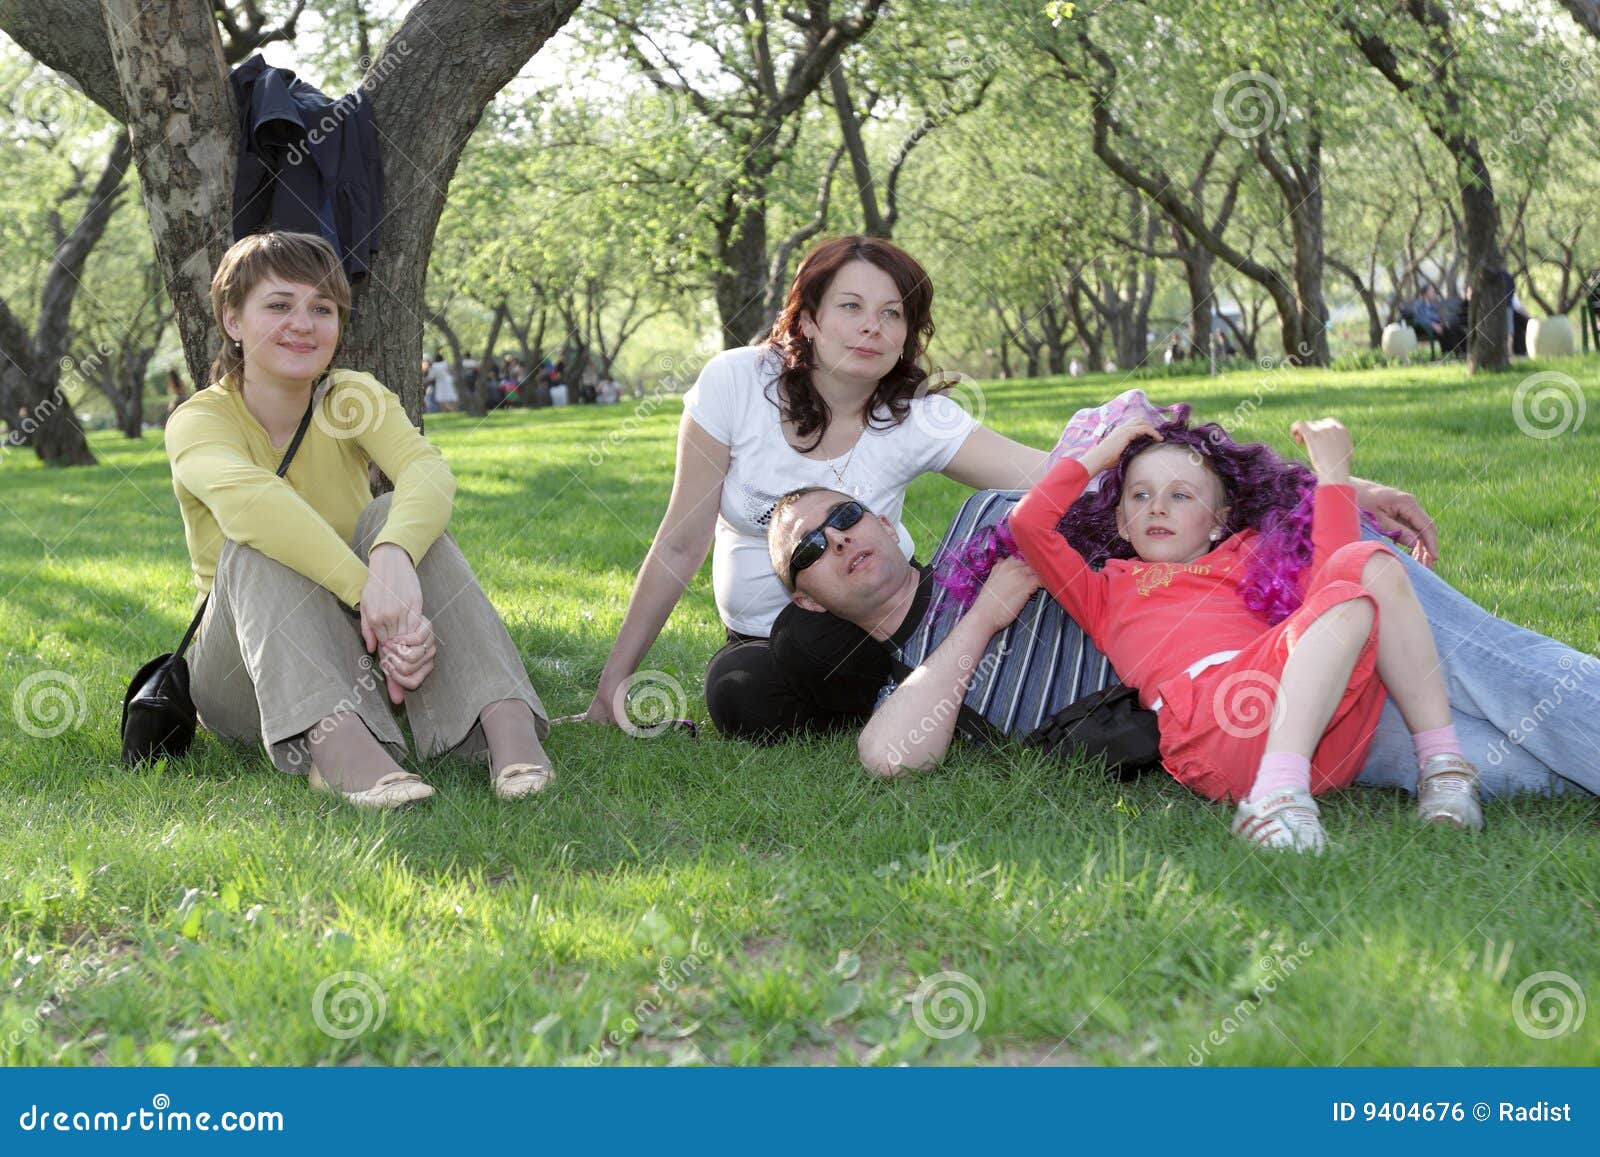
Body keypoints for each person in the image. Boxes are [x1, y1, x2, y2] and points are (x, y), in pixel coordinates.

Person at [761, 417, 1596, 809]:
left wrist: (1342, 486)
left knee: (1520, 676)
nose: (840, 540)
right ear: (805, 595)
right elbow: (889, 759)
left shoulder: (984, 519)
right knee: (1517, 769)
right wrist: (983, 618)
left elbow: (1163, 465)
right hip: (1261, 718)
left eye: (846, 515)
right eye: (810, 548)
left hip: (1284, 595)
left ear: (884, 520)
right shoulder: (914, 687)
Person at [583, 235, 1075, 741]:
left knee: (818, 640)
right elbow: (679, 545)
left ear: (907, 335)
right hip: (761, 638)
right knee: (739, 690)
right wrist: (609, 690)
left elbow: (1050, 476)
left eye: (892, 313)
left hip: (880, 621)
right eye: (851, 306)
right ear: (808, 319)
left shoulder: (917, 418)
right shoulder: (735, 382)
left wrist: (1123, 444)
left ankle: (926, 686)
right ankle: (899, 696)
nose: (872, 326)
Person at [163, 231, 552, 808]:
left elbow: (425, 471)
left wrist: (392, 556)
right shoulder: (199, 421)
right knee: (253, 545)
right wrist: (369, 590)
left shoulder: (350, 397)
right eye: (279, 305)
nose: (303, 324)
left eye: (321, 308)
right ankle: (341, 753)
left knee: (394, 514)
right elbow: (253, 506)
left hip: (366, 646)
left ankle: (507, 727)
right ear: (233, 320)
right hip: (246, 673)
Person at [1008, 412, 1483, 852]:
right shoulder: (1104, 590)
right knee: (1352, 582)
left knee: (1368, 565)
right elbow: (1028, 524)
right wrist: (1100, 456)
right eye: (1140, 495)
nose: (1157, 509)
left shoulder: (1252, 557)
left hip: (1319, 736)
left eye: (1180, 495)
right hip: (1214, 731)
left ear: (1218, 522)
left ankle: (1442, 769)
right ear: (1121, 523)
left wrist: (1334, 475)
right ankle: (1276, 798)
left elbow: (1333, 580)